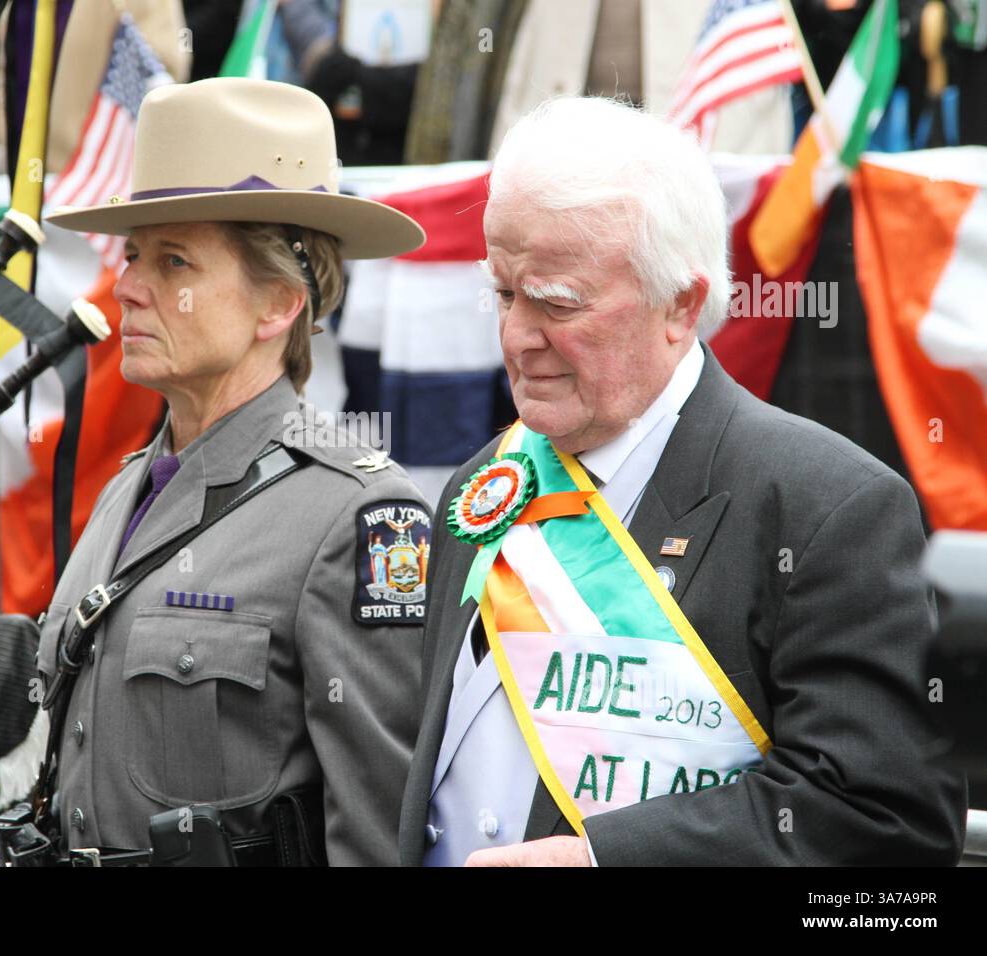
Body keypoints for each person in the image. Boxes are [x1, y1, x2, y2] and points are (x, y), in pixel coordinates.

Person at [399, 95, 967, 866]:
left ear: (682, 304)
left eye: (558, 303)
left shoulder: (826, 507)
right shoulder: (482, 485)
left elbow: (884, 816)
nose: (516, 335)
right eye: (502, 292)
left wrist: (607, 861)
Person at [38, 77, 430, 866]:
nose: (129, 287)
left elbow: (379, 829)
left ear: (278, 304)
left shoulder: (357, 517)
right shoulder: (128, 492)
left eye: (174, 261)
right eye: (134, 255)